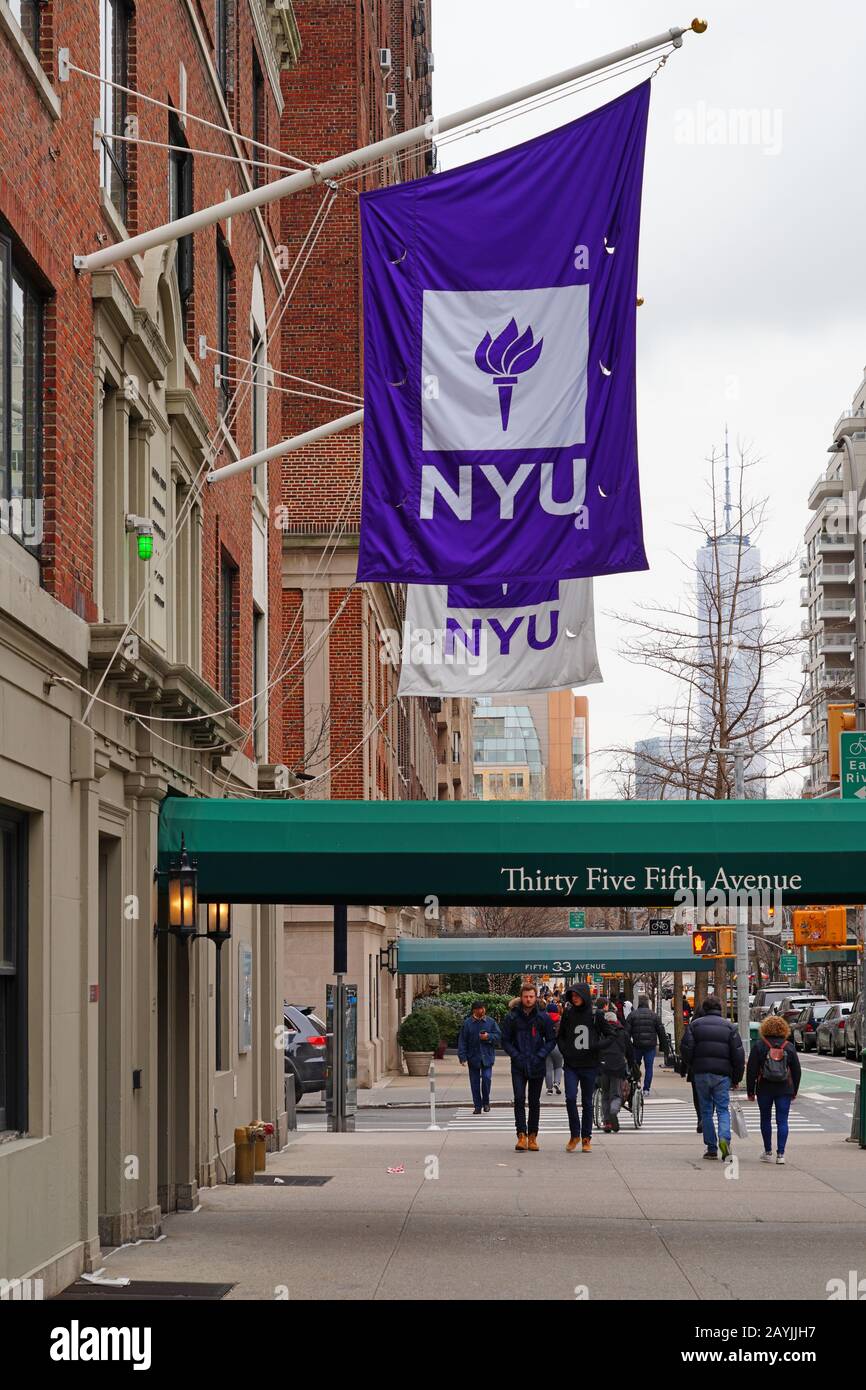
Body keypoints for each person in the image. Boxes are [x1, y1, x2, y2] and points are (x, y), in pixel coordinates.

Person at [680, 994, 745, 1161]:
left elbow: (686, 1049)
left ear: (704, 1009)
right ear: (720, 1009)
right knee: (722, 1109)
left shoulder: (695, 1026)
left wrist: (692, 1065)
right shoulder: (730, 1027)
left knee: (706, 1110)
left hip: (701, 1073)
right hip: (722, 1075)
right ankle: (724, 1138)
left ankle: (711, 1147)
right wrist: (736, 1077)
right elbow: (738, 1055)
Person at [501, 983, 556, 1152]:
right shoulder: (512, 1017)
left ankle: (532, 1135)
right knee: (519, 1099)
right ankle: (521, 1134)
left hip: (536, 1063)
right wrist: (516, 1055)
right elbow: (505, 1041)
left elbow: (551, 1040)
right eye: (525, 996)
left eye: (531, 996)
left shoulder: (543, 1017)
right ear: (521, 997)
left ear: (536, 997)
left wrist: (540, 1056)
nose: (528, 999)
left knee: (534, 1101)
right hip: (518, 1064)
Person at [558, 983, 609, 1152]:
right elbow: (561, 1036)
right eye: (572, 996)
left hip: (590, 1065)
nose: (575, 998)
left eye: (577, 995)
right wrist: (566, 1052)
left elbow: (612, 1035)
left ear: (585, 995)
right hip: (572, 1065)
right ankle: (575, 1135)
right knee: (570, 1098)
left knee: (587, 1102)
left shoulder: (596, 1014)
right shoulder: (568, 1013)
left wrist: (597, 1047)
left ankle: (586, 1137)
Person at [747, 1014, 801, 1164]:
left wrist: (750, 1091)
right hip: (784, 1088)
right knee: (782, 1120)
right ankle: (781, 1154)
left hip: (764, 1087)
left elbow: (751, 1069)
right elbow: (796, 1070)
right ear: (784, 1029)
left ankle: (768, 1151)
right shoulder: (788, 1047)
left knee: (765, 1119)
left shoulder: (759, 1046)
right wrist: (794, 1090)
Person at [457, 1001, 502, 1115]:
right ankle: (477, 1105)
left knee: (487, 1079)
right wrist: (462, 1057)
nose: (482, 1011)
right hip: (473, 1057)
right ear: (474, 1010)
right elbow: (462, 1041)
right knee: (475, 1083)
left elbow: (498, 1036)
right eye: (479, 1009)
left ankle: (486, 1102)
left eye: (483, 1008)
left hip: (487, 1057)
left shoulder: (491, 1022)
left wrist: (488, 1036)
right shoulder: (467, 1023)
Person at [597, 1009, 634, 1132]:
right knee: (616, 1094)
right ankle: (613, 1112)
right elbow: (630, 1052)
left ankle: (607, 1122)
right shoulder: (623, 1033)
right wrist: (632, 1064)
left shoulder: (601, 1033)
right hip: (618, 1066)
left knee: (605, 1094)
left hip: (603, 1066)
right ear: (616, 1020)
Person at [627, 995, 668, 1094]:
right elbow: (661, 1032)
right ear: (648, 1003)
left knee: (635, 1065)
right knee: (649, 1067)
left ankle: (636, 1084)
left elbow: (626, 1032)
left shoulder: (632, 1015)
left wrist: (626, 1046)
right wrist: (664, 1047)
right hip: (650, 1046)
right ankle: (646, 1089)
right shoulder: (654, 1016)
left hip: (636, 1045)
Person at [545, 1000, 563, 1095]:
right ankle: (557, 1082)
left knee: (548, 1068)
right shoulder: (560, 1019)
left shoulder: (544, 1019)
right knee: (558, 1066)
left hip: (547, 1045)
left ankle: (549, 1089)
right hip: (558, 1045)